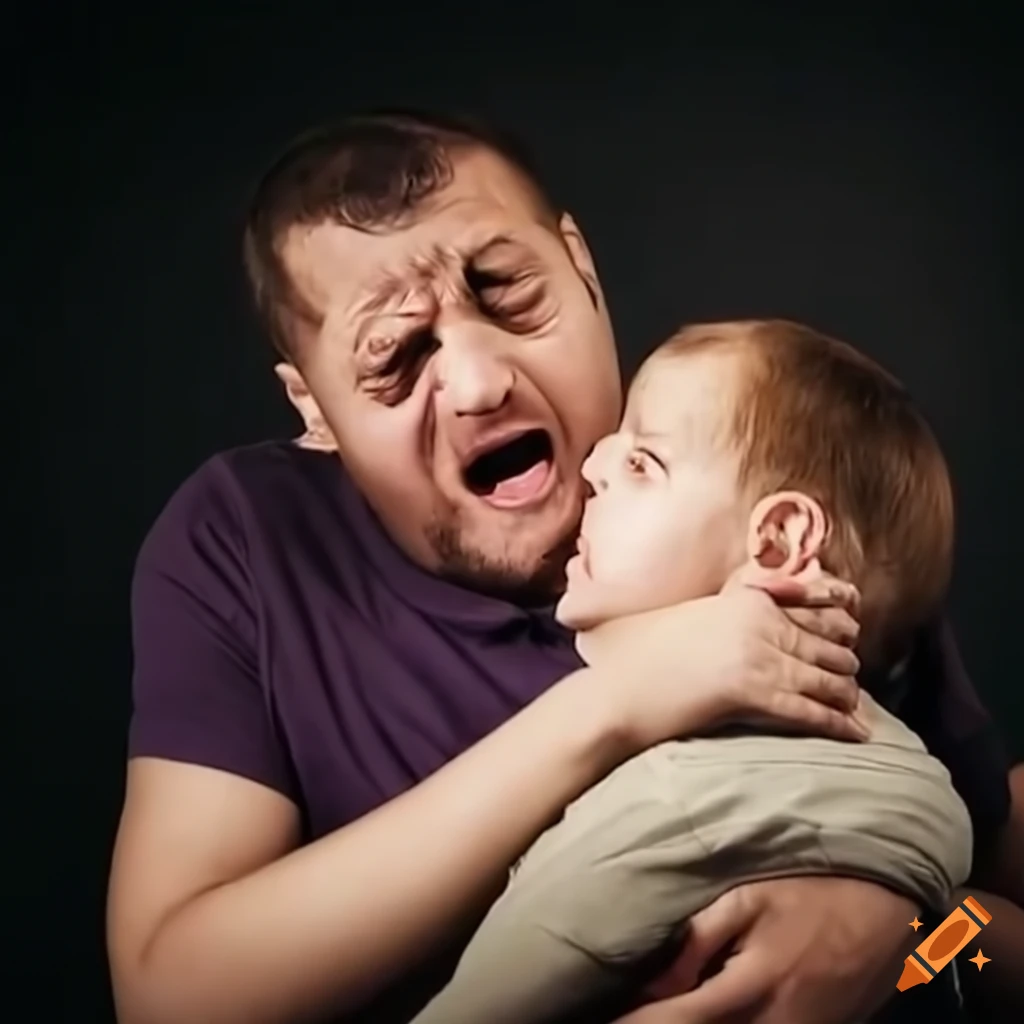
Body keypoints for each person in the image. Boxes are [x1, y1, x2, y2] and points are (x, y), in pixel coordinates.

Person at [106, 110, 1013, 1024]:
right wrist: (611, 706)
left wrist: (916, 943)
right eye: (394, 354)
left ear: (580, 265)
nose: (479, 382)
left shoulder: (773, 498)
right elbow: (171, 997)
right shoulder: (246, 540)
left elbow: (984, 926)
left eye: (505, 291)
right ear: (316, 409)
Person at [409, 318, 975, 1024]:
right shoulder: (922, 783)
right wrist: (929, 950)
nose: (594, 466)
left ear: (778, 542)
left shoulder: (669, 800)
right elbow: (963, 939)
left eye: (644, 462)